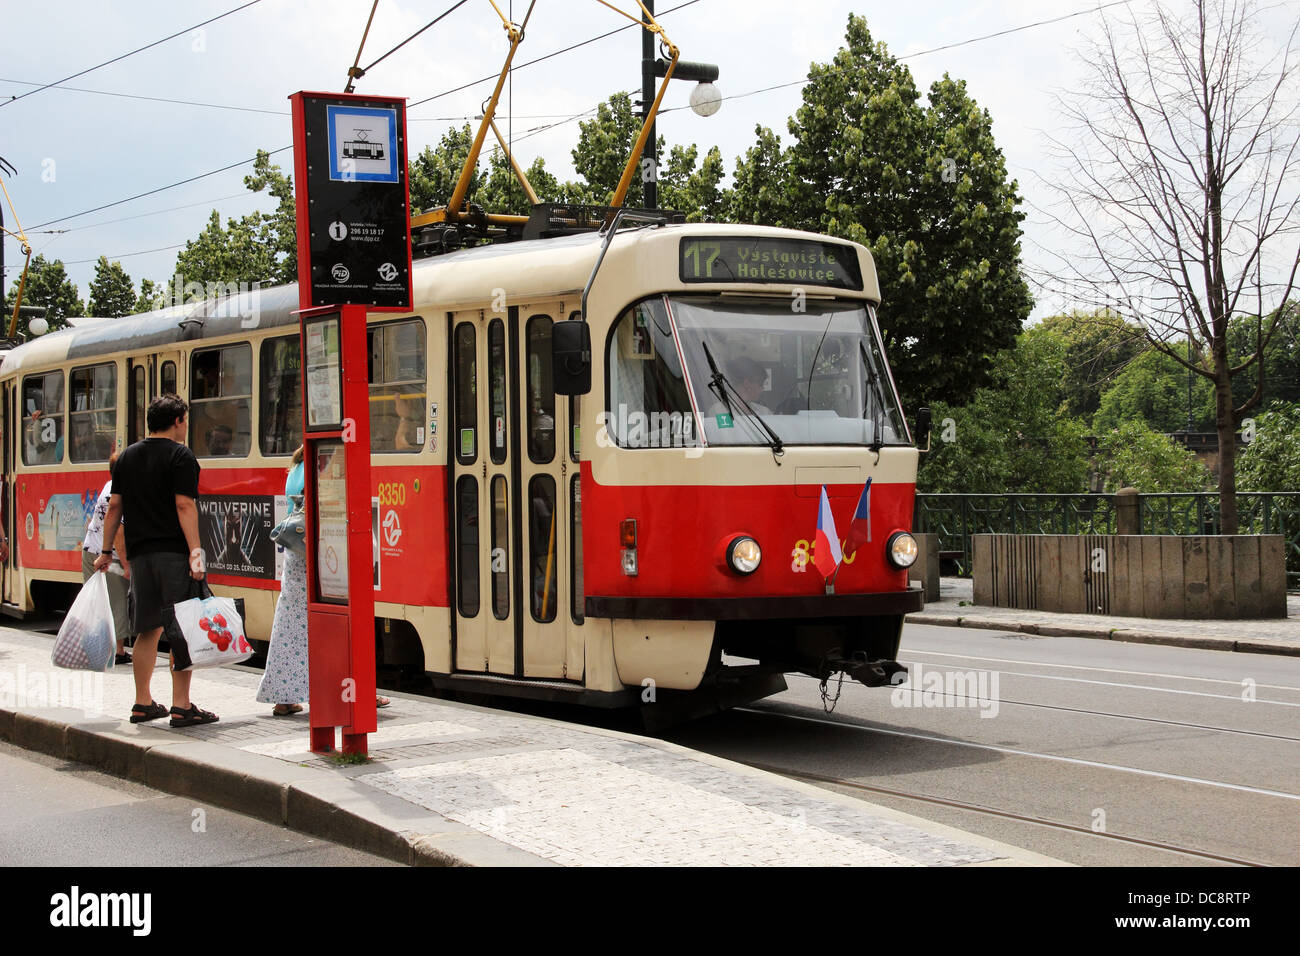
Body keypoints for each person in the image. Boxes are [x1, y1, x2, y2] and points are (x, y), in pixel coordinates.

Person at [95, 394, 219, 728]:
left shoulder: (127, 458)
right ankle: (181, 705)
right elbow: (184, 506)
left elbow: (115, 508)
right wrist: (196, 552)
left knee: (146, 630)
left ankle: (142, 702)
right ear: (178, 420)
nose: (186, 426)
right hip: (174, 555)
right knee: (181, 629)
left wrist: (106, 552)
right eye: (185, 420)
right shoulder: (182, 456)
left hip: (140, 557)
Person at [256, 445, 390, 714]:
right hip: (325, 552)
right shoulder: (322, 470)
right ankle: (358, 690)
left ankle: (283, 697)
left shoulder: (295, 468)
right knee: (342, 619)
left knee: (291, 623)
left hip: (297, 555)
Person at [82, 451, 132, 665]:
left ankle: (98, 647)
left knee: (100, 602)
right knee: (117, 600)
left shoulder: (108, 486)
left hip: (91, 551)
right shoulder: (120, 493)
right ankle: (118, 650)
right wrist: (127, 564)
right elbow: (119, 533)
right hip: (108, 556)